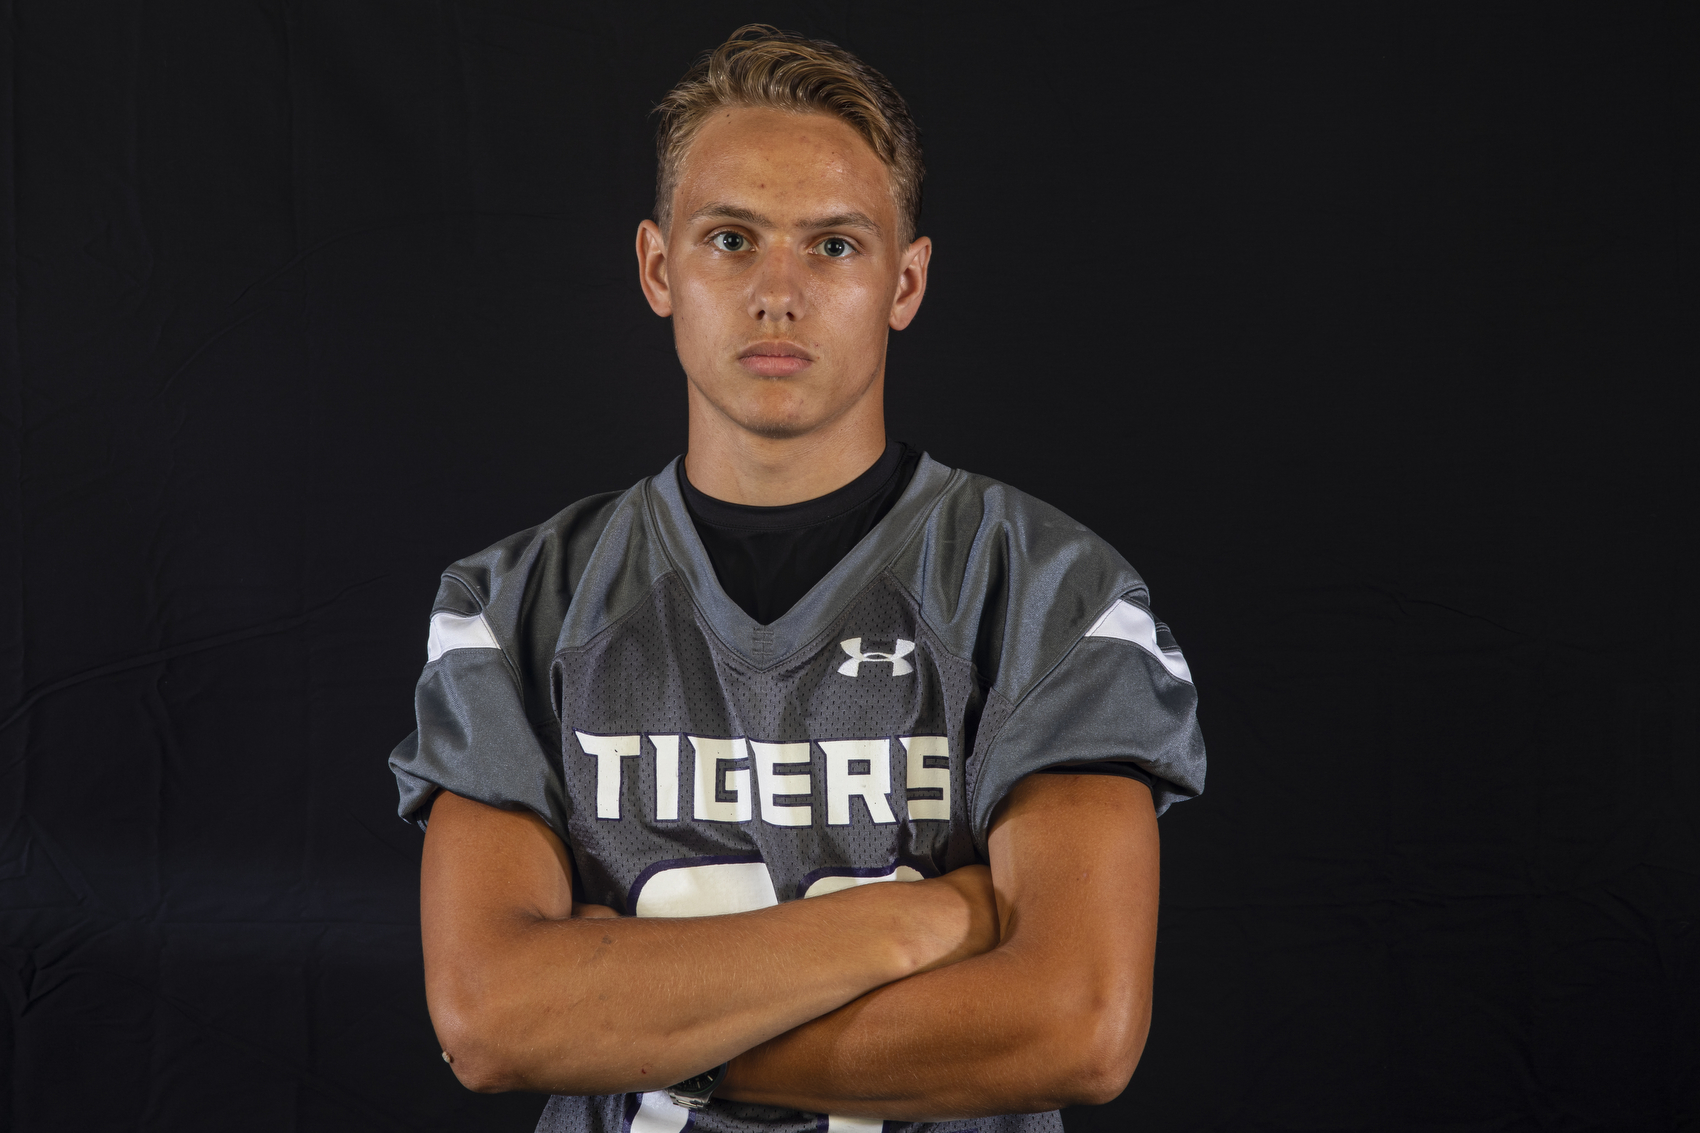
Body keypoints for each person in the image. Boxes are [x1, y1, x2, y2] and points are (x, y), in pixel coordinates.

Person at [389, 24, 1205, 1133]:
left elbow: (1076, 1023)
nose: (778, 291)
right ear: (659, 267)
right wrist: (916, 923)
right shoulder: (516, 608)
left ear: (904, 282)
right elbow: (492, 1019)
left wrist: (651, 1035)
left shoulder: (1046, 593)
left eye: (833, 246)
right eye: (731, 239)